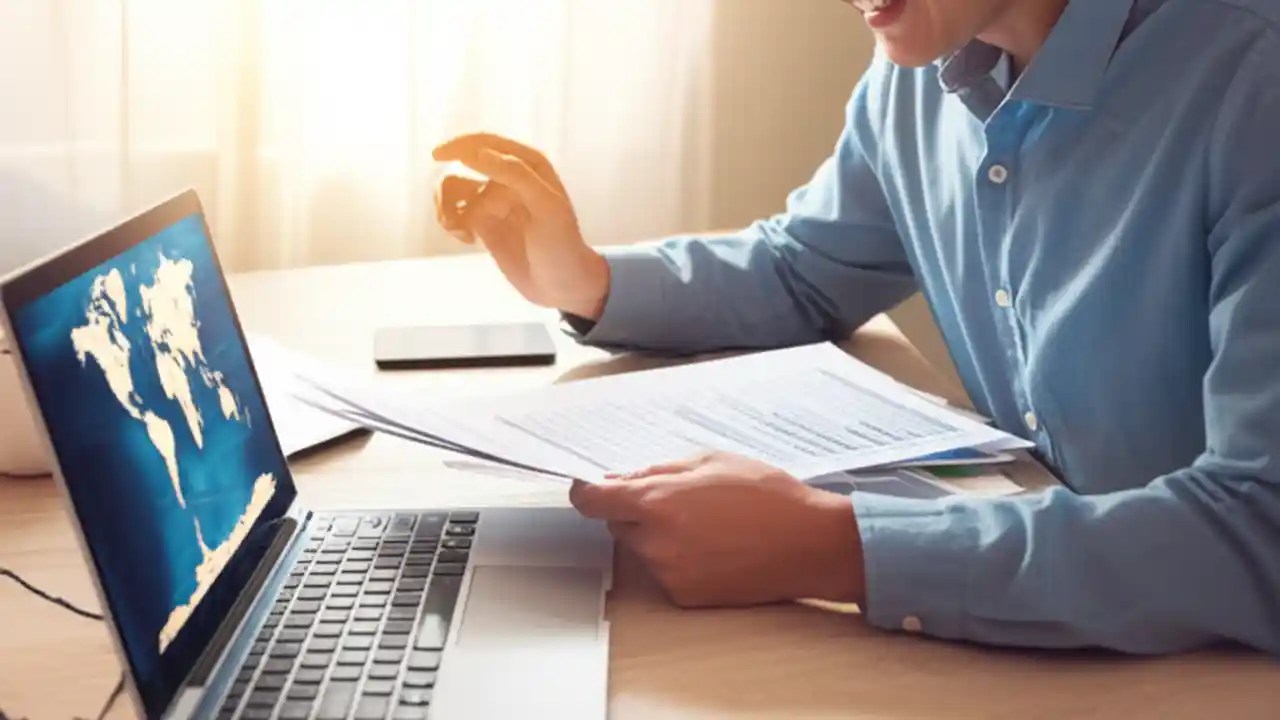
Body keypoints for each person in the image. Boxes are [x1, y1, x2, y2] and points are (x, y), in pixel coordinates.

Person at [431, 0, 1280, 655]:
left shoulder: (1253, 82)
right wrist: (585, 278)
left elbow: (1258, 528)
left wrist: (834, 547)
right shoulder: (920, 72)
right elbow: (803, 269)